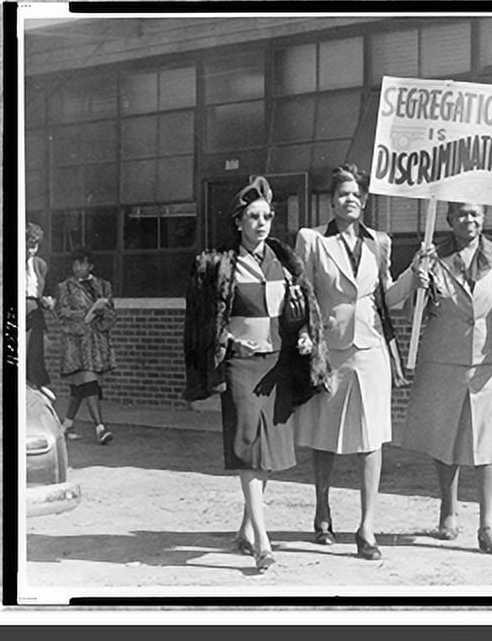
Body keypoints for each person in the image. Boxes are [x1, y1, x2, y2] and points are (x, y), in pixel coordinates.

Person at [183, 176, 329, 573]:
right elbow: (203, 321)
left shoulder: (284, 262)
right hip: (241, 366)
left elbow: (299, 315)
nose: (262, 223)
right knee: (248, 444)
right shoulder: (218, 265)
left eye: (267, 216)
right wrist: (228, 341)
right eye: (253, 216)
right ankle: (263, 542)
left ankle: (247, 528)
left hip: (277, 365)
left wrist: (303, 337)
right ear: (238, 222)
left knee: (267, 452)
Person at [293, 163, 429, 561]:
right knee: (325, 435)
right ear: (331, 200)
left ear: (366, 201)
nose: (350, 200)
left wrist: (413, 276)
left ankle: (366, 527)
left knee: (371, 439)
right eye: (343, 194)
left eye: (357, 194)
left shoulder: (379, 242)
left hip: (370, 351)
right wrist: (304, 335)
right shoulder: (313, 240)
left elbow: (386, 298)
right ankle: (322, 509)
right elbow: (301, 294)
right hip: (329, 350)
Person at [401, 201, 492, 556]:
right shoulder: (430, 258)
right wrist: (418, 282)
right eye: (461, 213)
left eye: (475, 213)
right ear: (448, 219)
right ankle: (448, 510)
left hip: (489, 362)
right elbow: (412, 313)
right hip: (442, 360)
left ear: (484, 217)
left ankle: (487, 526)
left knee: (488, 443)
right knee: (446, 437)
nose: (469, 219)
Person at [55, 246, 117, 445]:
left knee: (80, 386)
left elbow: (111, 314)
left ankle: (66, 425)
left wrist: (101, 315)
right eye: (74, 263)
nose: (77, 267)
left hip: (96, 343)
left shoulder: (104, 286)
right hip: (76, 343)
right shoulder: (65, 287)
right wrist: (85, 315)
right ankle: (100, 428)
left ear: (90, 265)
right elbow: (62, 312)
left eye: (81, 263)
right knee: (89, 382)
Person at [25, 223, 55, 399]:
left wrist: (48, 301)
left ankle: (37, 384)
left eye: (34, 246)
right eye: (27, 245)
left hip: (34, 311)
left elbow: (46, 291)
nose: (31, 250)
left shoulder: (40, 265)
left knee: (36, 349)